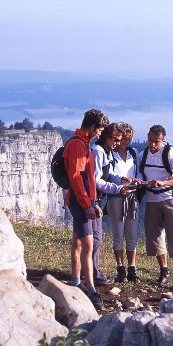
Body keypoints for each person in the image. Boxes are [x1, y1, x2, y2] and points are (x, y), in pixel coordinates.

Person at [63, 108, 109, 309]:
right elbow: (76, 177)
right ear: (92, 127)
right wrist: (87, 205)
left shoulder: (83, 143)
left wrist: (94, 202)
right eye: (99, 130)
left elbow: (87, 179)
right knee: (88, 245)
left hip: (84, 201)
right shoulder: (78, 145)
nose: (100, 134)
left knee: (79, 244)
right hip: (78, 201)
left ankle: (75, 281)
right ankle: (91, 289)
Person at [139, 124, 173, 293]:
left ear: (163, 140)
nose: (153, 145)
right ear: (147, 137)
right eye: (150, 141)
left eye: (157, 142)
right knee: (156, 238)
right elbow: (140, 174)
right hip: (152, 199)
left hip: (171, 199)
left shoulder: (170, 153)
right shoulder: (143, 154)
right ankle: (164, 272)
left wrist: (164, 182)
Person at [90, 124, 131, 286]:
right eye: (114, 139)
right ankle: (93, 273)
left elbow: (108, 173)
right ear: (106, 136)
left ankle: (89, 271)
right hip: (92, 199)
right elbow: (96, 180)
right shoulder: (98, 151)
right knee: (95, 238)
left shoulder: (105, 151)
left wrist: (121, 179)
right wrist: (117, 189)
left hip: (97, 199)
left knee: (93, 238)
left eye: (119, 140)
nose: (116, 143)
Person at [103, 122, 140, 282]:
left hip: (132, 195)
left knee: (131, 234)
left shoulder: (134, 153)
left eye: (129, 138)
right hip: (116, 196)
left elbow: (139, 172)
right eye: (124, 138)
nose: (126, 142)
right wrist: (121, 182)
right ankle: (120, 268)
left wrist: (138, 182)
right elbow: (108, 175)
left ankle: (132, 268)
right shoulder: (110, 155)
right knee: (118, 234)